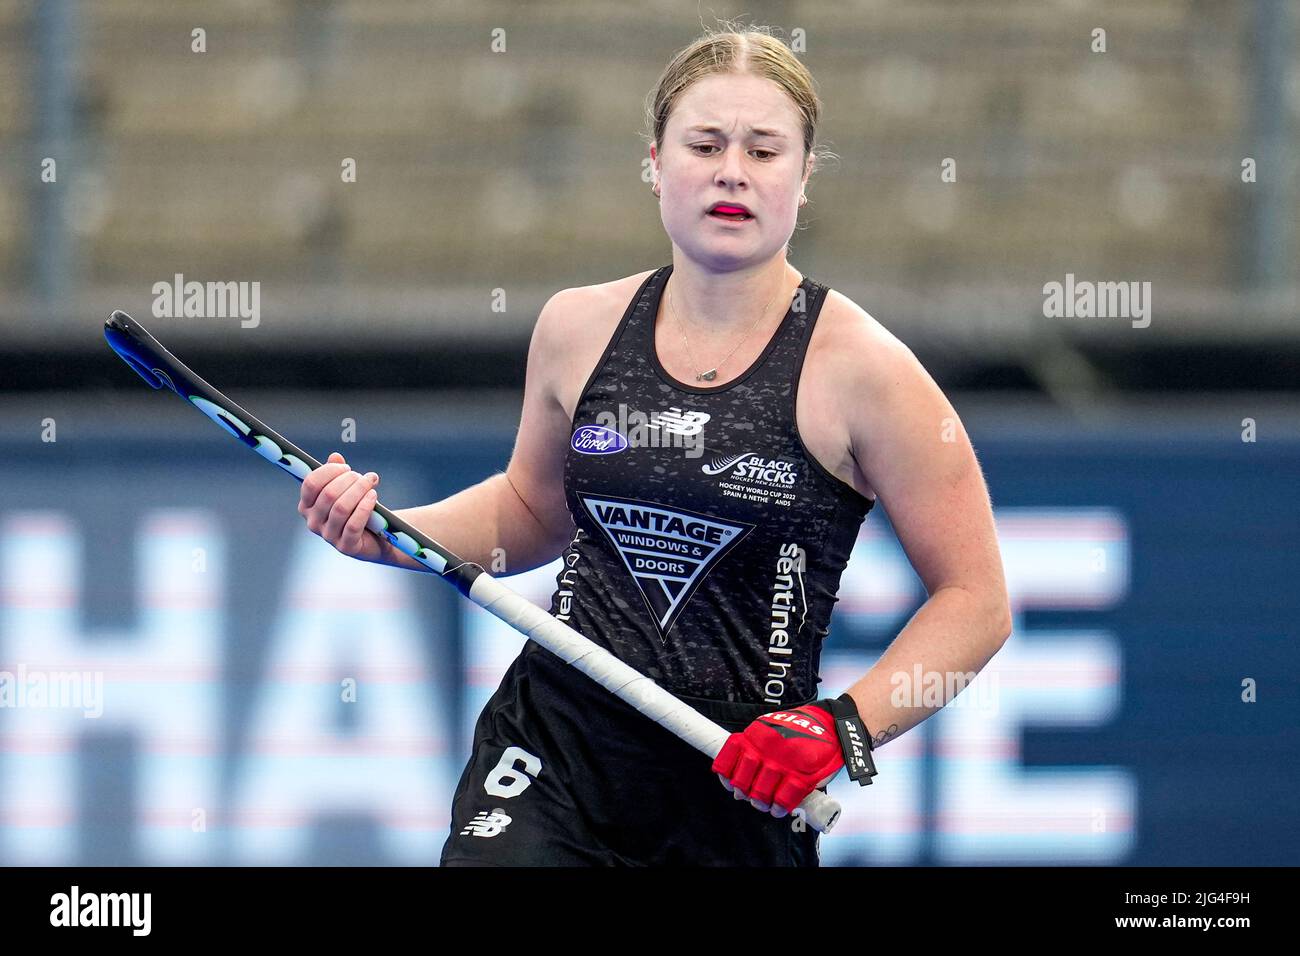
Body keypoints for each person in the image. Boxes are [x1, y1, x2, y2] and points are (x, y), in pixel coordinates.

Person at [297, 23, 1011, 866]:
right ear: (655, 163)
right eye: (704, 144)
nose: (731, 171)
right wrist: (390, 531)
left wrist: (837, 730)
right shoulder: (578, 326)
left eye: (764, 150)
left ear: (805, 176)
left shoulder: (866, 372)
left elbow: (975, 601)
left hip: (739, 782)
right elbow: (530, 511)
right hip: (554, 751)